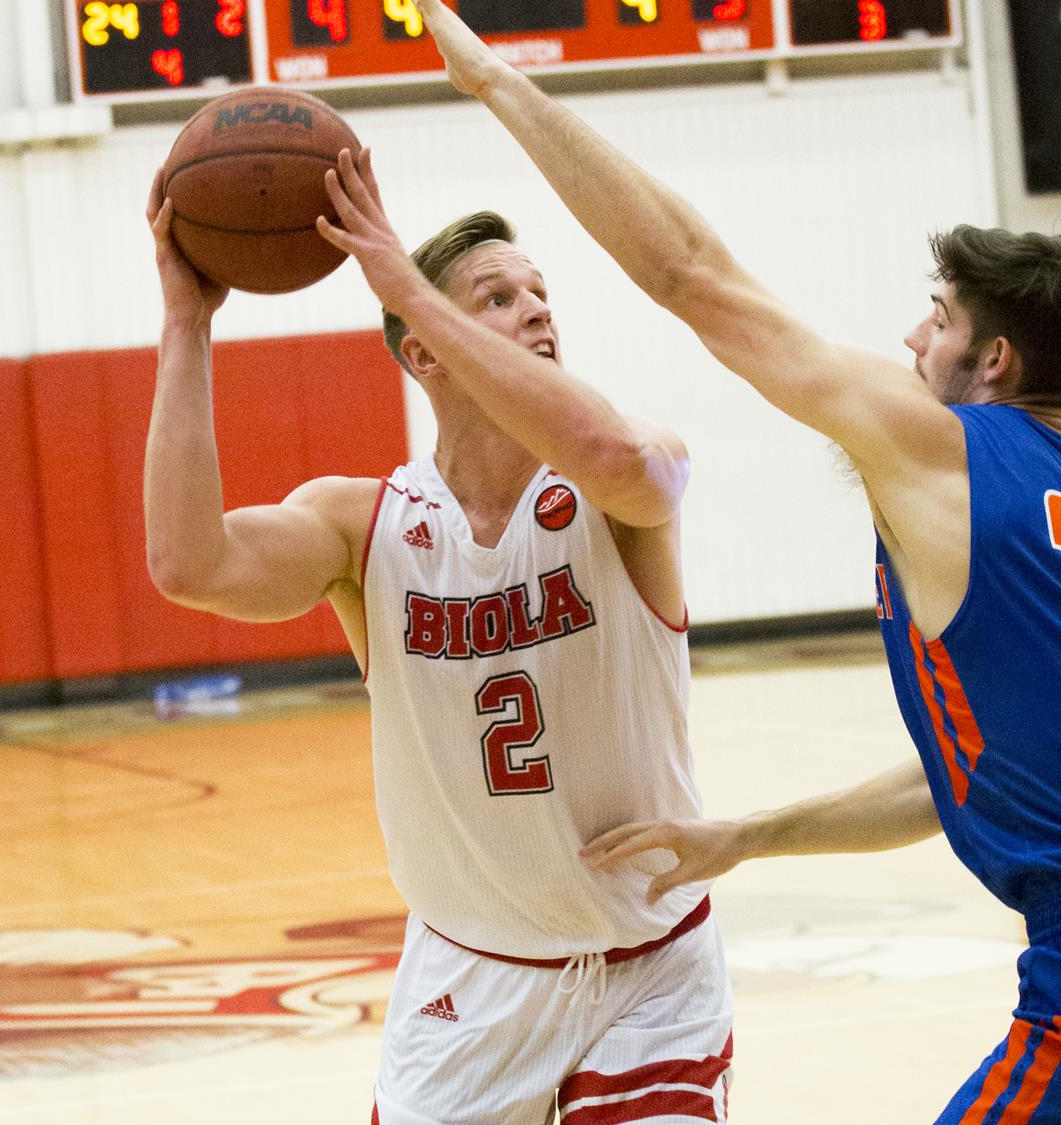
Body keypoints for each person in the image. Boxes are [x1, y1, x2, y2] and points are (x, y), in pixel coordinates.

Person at [406, 2, 1061, 1120]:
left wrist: (499, 88)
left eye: (935, 320)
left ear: (990, 360)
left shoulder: (945, 451)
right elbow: (977, 769)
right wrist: (749, 838)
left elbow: (690, 276)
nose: (909, 342)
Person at [141, 169, 734, 1121]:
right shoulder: (362, 524)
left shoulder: (622, 472)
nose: (535, 308)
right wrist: (187, 324)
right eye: (497, 297)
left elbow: (623, 463)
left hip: (648, 969)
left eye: (539, 293)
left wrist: (405, 285)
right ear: (424, 353)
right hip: (470, 975)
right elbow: (187, 562)